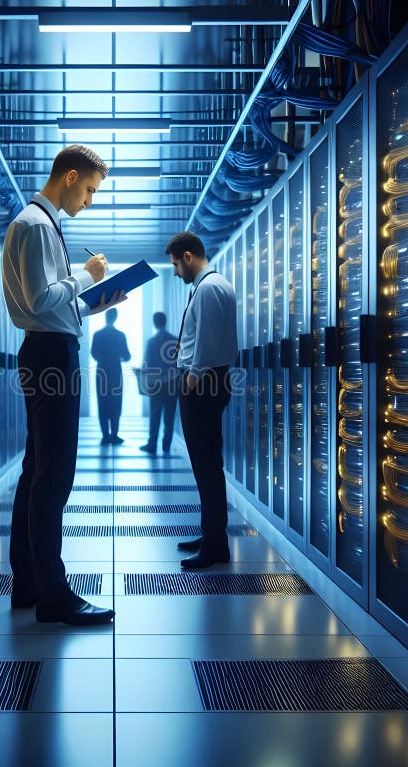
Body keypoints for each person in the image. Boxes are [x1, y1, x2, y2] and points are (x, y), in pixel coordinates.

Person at [2, 144, 124, 625]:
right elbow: (41, 298)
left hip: (47, 348)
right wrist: (85, 277)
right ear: (70, 177)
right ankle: (53, 594)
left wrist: (97, 300)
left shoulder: (40, 225)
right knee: (54, 476)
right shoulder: (36, 225)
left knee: (37, 470)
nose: (89, 201)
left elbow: (51, 306)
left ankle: (29, 584)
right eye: (89, 190)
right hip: (51, 356)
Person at [166, 232, 238, 569]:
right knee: (206, 464)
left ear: (188, 256)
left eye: (175, 264)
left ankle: (214, 545)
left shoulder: (209, 288)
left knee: (206, 466)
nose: (175, 271)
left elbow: (207, 342)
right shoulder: (210, 285)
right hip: (210, 380)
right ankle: (211, 535)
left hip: (204, 383)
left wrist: (191, 378)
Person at [140, 312, 179, 455]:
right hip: (171, 383)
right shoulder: (175, 341)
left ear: (155, 323)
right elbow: (179, 363)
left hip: (156, 384)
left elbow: (147, 364)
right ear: (165, 322)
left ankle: (152, 444)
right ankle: (166, 445)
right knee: (169, 415)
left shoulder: (151, 342)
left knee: (155, 414)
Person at [91, 307, 130, 444]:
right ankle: (114, 435)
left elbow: (94, 353)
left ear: (106, 317)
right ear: (115, 318)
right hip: (115, 372)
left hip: (101, 372)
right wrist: (119, 358)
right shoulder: (120, 335)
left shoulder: (97, 334)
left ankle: (105, 436)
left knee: (102, 403)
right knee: (116, 403)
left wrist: (103, 358)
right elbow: (127, 356)